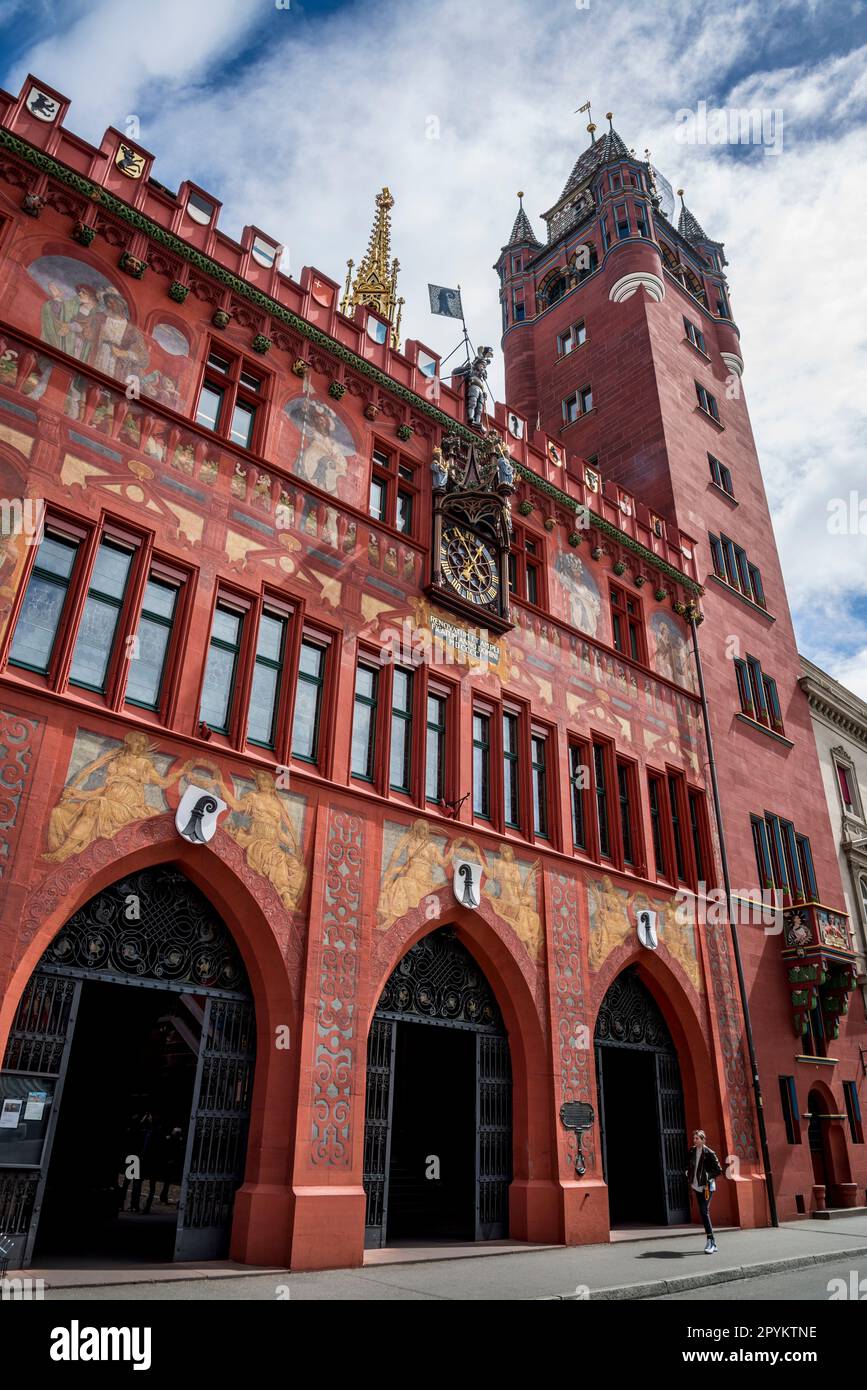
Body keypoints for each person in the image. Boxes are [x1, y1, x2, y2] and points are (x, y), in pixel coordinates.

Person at [685, 1127, 723, 1253]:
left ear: (703, 1140)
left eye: (697, 1138)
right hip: (697, 1186)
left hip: (707, 1187)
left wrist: (708, 1176)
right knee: (703, 1212)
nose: (694, 1140)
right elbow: (688, 1164)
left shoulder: (709, 1153)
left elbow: (719, 1170)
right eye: (694, 1138)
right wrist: (687, 1171)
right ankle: (713, 1242)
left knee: (703, 1210)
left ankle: (710, 1241)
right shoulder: (692, 1151)